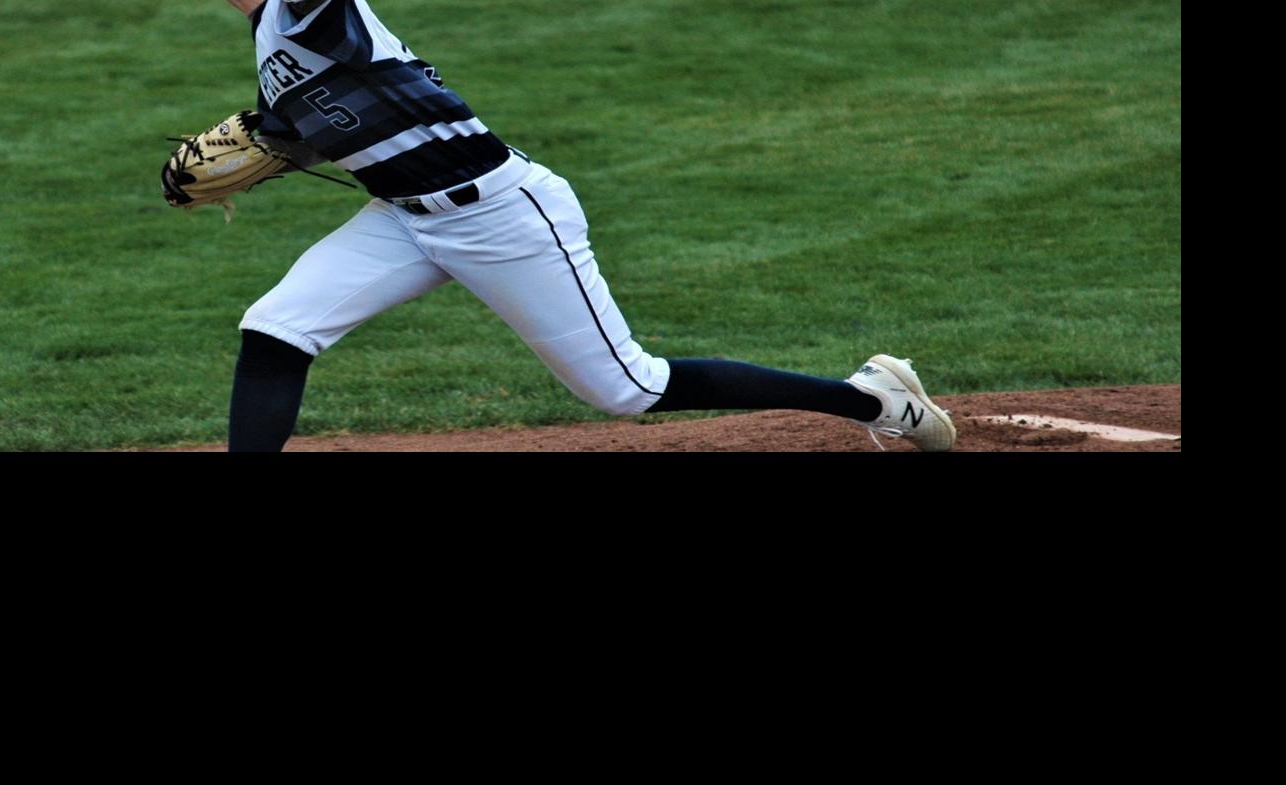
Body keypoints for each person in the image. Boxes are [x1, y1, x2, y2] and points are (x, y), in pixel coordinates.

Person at [219, 0, 955, 452]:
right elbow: (302, 133)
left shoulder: (308, 9)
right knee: (279, 326)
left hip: (503, 214)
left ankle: (877, 399)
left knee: (628, 388)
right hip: (401, 219)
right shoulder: (269, 45)